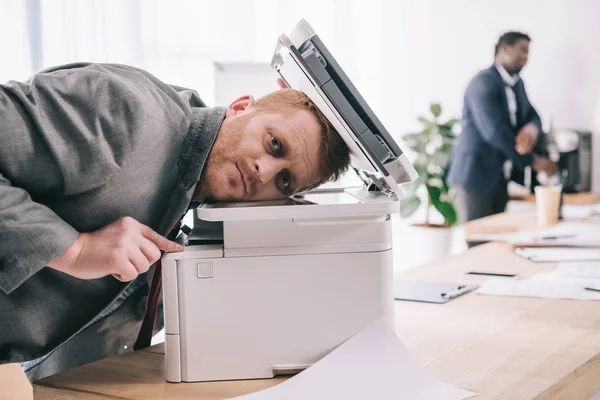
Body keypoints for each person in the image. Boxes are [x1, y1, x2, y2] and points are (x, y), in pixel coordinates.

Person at [0, 62, 351, 381]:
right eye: (274, 143)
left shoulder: (204, 213)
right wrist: (75, 250)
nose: (266, 172)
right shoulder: (124, 111)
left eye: (285, 180)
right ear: (241, 107)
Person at [446, 32, 557, 229]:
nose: (526, 58)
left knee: (497, 239)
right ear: (505, 49)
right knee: (479, 242)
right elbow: (495, 133)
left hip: (498, 176)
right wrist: (533, 162)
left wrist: (531, 129)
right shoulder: (483, 83)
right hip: (475, 175)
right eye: (522, 51)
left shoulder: (518, 84)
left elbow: (533, 116)